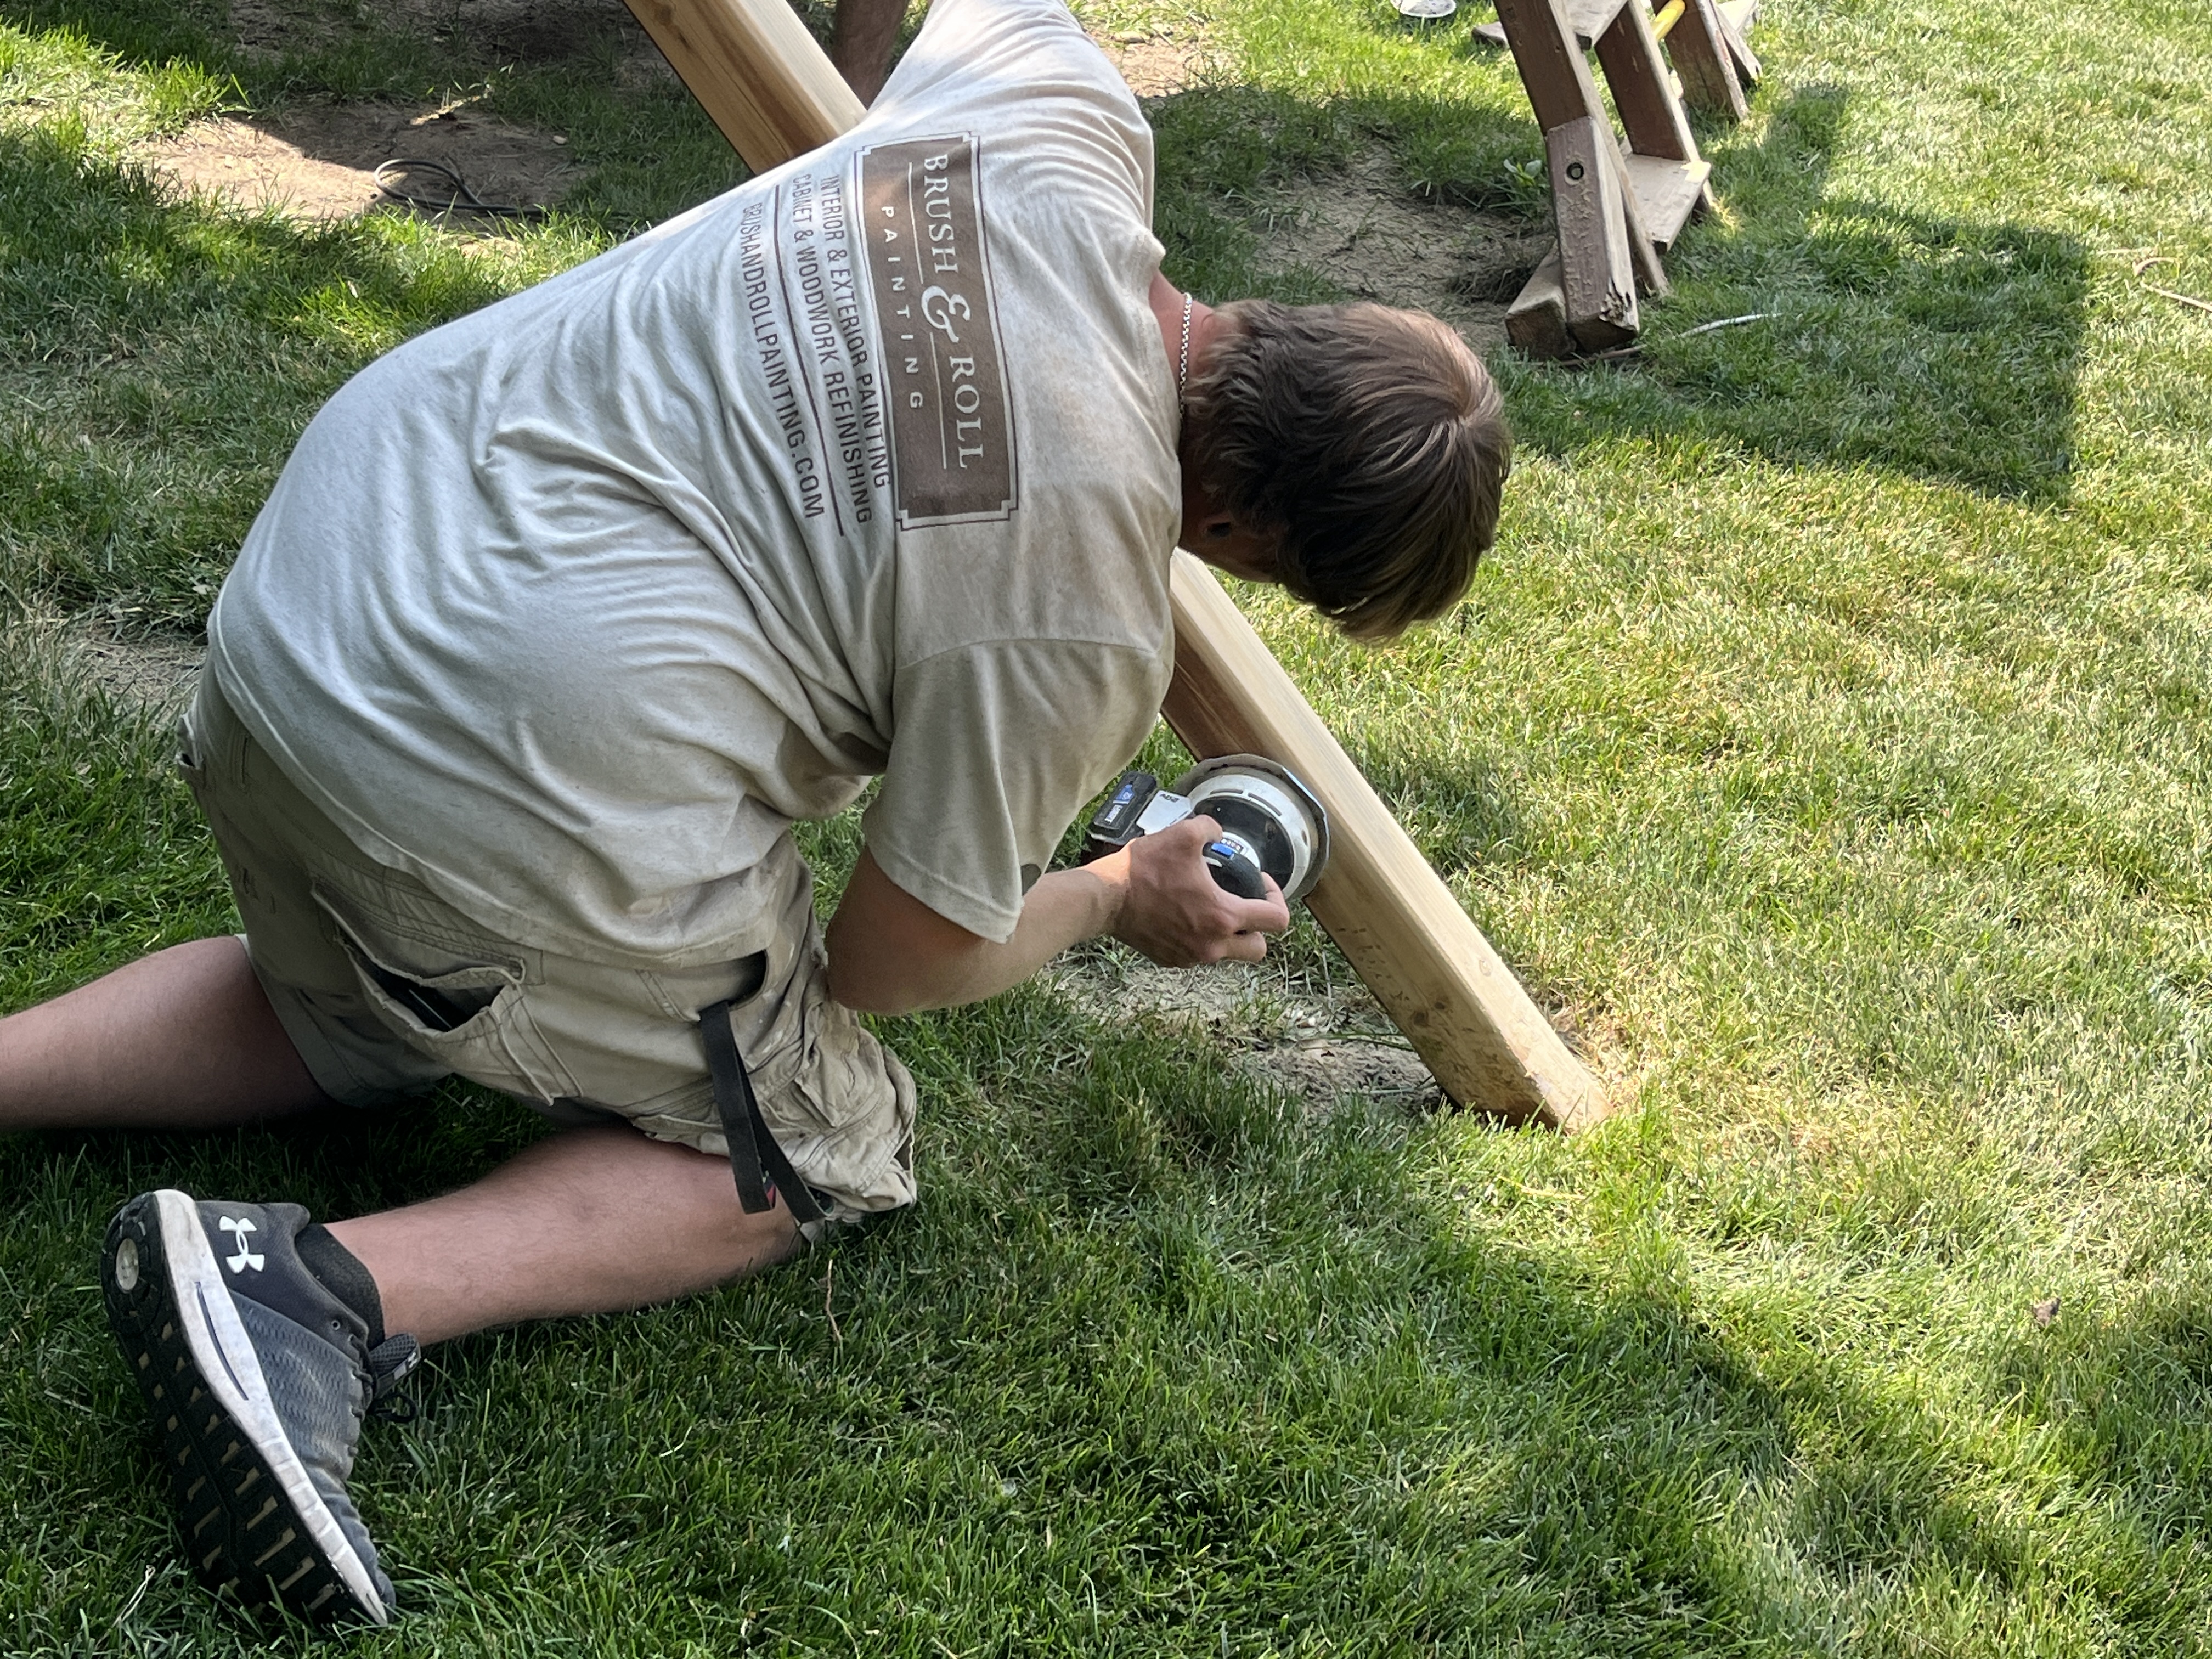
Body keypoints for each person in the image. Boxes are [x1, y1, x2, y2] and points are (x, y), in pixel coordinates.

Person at [0, 0, 1510, 1627]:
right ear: (1248, 534)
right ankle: (305, 1297)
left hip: (320, 589)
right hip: (481, 763)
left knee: (365, 1005)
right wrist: (1117, 892)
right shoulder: (1082, 621)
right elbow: (898, 962)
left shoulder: (1059, 116)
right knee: (817, 1144)